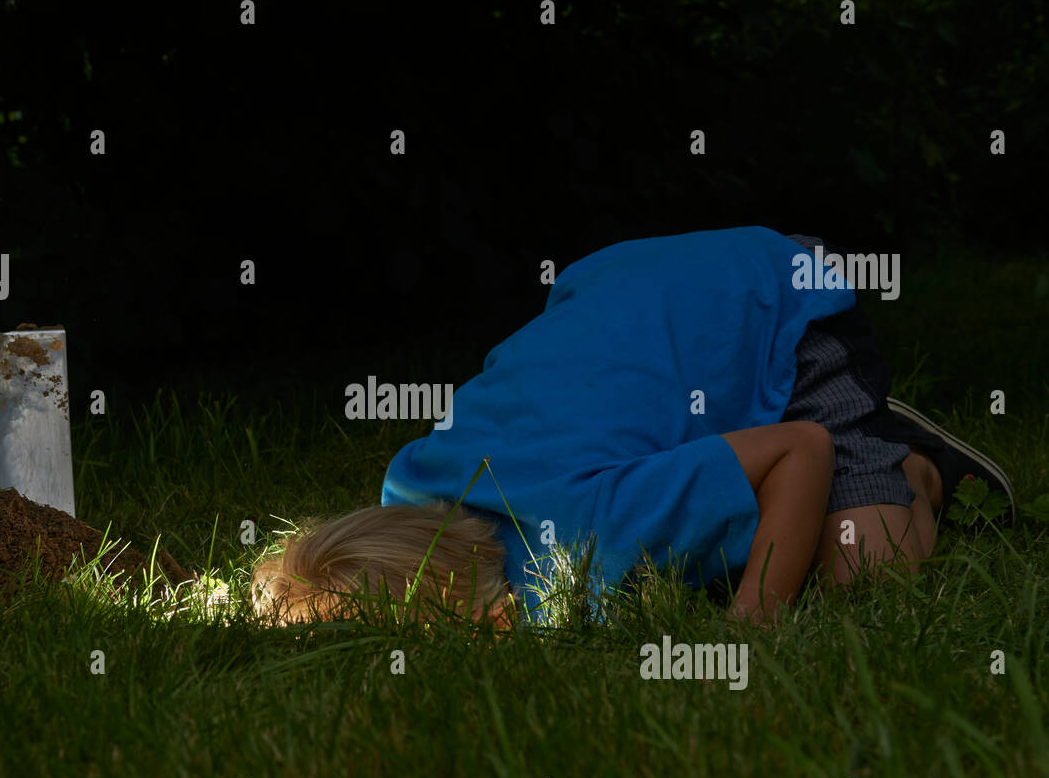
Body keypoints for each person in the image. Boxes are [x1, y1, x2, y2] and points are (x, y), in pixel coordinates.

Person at [251, 227, 1014, 628]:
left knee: (867, 579)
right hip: (623, 289)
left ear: (486, 615)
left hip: (770, 294)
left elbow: (802, 448)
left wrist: (756, 613)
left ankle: (911, 465)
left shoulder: (589, 535)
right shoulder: (412, 482)